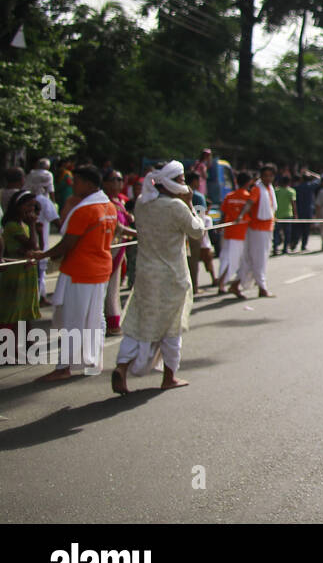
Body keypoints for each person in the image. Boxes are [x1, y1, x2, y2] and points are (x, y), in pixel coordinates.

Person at [112, 161, 205, 393]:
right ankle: (169, 376)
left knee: (137, 323)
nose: (185, 185)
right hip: (172, 277)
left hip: (145, 275)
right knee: (172, 328)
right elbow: (197, 231)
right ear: (170, 183)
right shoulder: (177, 207)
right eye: (182, 180)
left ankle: (122, 368)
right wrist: (192, 204)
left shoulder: (143, 204)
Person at [28, 166, 117, 381]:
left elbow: (67, 244)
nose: (73, 185)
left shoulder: (86, 209)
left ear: (89, 184)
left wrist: (42, 255)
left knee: (73, 322)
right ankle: (91, 361)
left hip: (81, 272)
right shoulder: (108, 206)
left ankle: (64, 367)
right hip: (100, 270)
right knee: (94, 319)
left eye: (76, 181)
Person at [1, 191, 43, 343]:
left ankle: (28, 344)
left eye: (33, 206)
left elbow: (35, 247)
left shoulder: (23, 224)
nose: (31, 209)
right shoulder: (12, 225)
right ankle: (7, 348)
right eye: (28, 205)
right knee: (12, 311)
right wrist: (32, 226)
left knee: (25, 310)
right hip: (15, 273)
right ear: (17, 205)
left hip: (26, 272)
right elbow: (32, 244)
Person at [101, 171, 135, 336]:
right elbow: (118, 228)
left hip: (120, 248)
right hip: (107, 248)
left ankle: (112, 320)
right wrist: (141, 234)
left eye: (121, 180)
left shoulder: (120, 201)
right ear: (105, 183)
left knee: (114, 286)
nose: (118, 183)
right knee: (107, 287)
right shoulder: (104, 202)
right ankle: (108, 322)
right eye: (114, 179)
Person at [235, 165, 276, 299]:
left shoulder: (269, 189)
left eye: (270, 175)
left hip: (267, 228)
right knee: (259, 260)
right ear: (261, 176)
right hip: (257, 230)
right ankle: (262, 288)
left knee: (253, 261)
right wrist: (241, 215)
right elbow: (249, 204)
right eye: (265, 175)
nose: (268, 178)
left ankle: (235, 285)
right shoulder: (258, 190)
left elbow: (271, 209)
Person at [218, 171, 252, 295]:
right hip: (240, 233)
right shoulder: (248, 197)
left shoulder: (230, 196)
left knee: (225, 258)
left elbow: (224, 213)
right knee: (235, 260)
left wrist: (220, 226)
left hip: (228, 232)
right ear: (248, 183)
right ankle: (222, 283)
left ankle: (222, 283)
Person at [184, 170, 217, 292]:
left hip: (184, 232)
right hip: (194, 232)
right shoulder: (197, 196)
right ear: (194, 181)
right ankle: (195, 286)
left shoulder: (180, 193)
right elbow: (200, 216)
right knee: (194, 261)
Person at [292, 171, 318, 252]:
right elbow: (319, 178)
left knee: (297, 229)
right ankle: (303, 246)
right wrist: (311, 173)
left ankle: (294, 244)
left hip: (299, 211)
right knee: (306, 230)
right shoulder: (311, 186)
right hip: (308, 211)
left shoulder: (297, 187)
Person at [272, 174, 296, 256]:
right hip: (288, 214)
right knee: (287, 233)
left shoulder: (276, 191)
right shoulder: (291, 191)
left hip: (277, 214)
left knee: (276, 233)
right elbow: (293, 203)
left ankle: (275, 248)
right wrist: (295, 214)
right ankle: (285, 248)